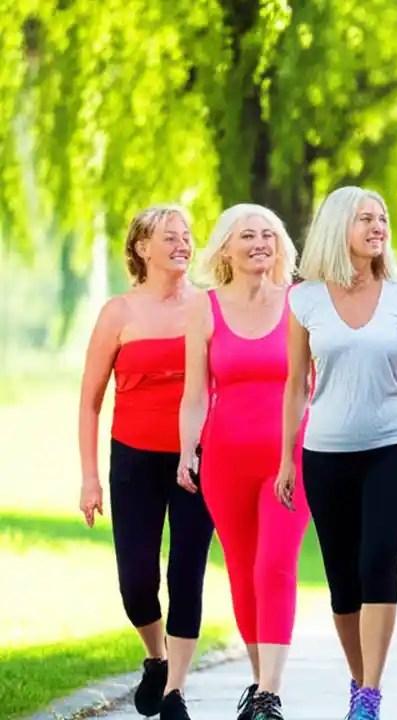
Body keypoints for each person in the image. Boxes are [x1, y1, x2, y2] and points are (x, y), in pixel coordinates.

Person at [277, 186, 397, 720]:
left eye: (383, 218)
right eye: (366, 219)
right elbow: (296, 386)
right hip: (326, 452)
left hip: (394, 447)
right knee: (342, 576)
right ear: (337, 228)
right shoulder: (304, 299)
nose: (378, 227)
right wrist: (287, 458)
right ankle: (358, 679)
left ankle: (371, 692)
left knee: (378, 559)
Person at [77, 205, 215, 720]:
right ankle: (155, 658)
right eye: (170, 237)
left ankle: (176, 690)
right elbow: (90, 400)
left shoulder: (206, 308)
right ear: (142, 249)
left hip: (197, 459)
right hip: (132, 459)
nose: (183, 243)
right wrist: (91, 478)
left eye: (187, 236)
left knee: (186, 574)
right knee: (136, 579)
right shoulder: (119, 313)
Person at [177, 204, 307, 720]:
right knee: (243, 572)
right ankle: (260, 686)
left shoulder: (300, 302)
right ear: (225, 249)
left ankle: (271, 693)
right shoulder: (205, 308)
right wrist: (188, 449)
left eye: (268, 235)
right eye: (247, 235)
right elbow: (194, 395)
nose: (259, 243)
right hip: (225, 459)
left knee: (275, 565)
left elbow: (316, 378)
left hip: (289, 458)